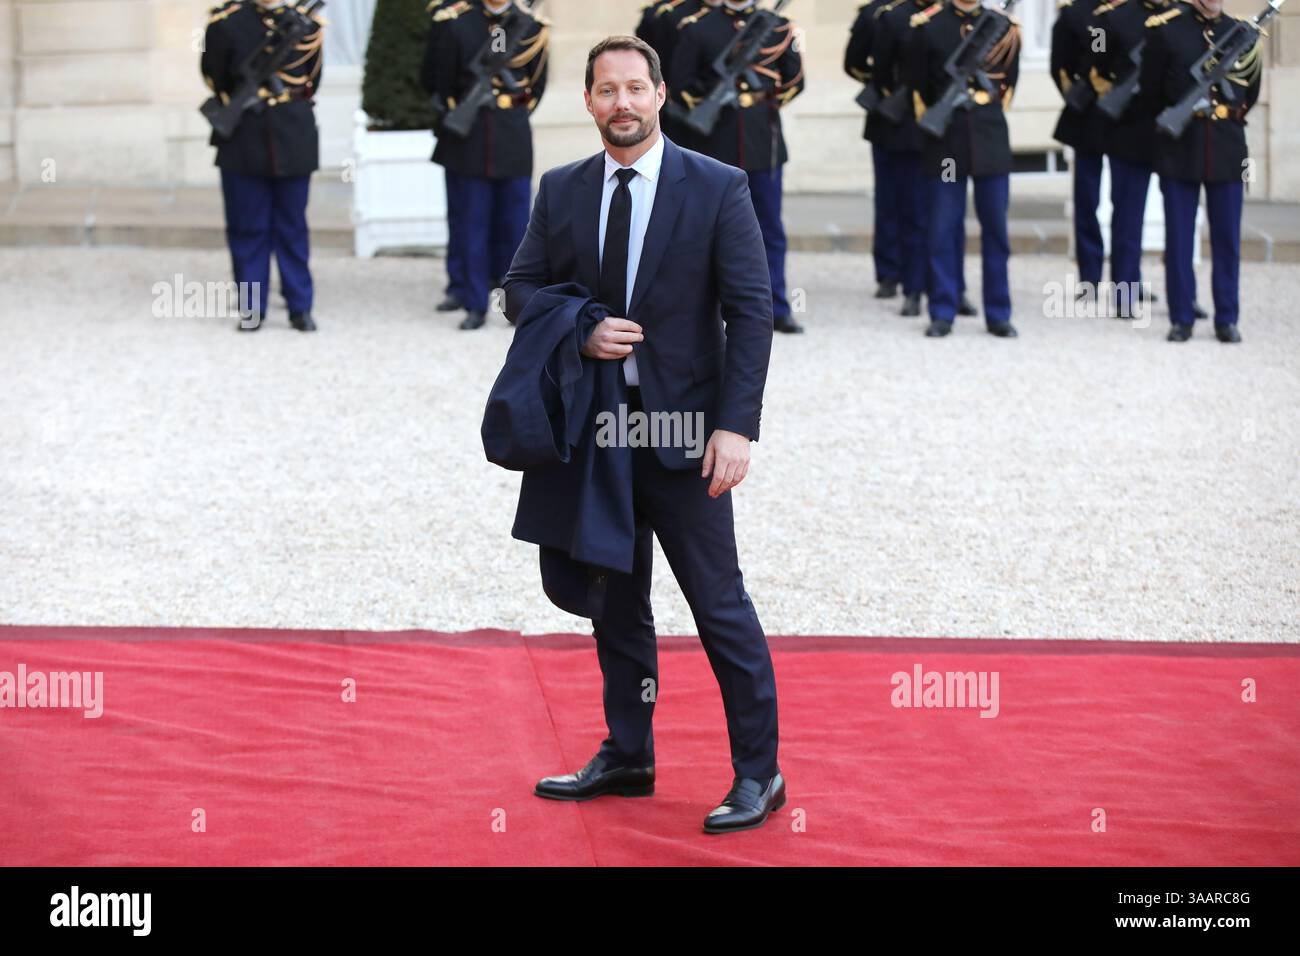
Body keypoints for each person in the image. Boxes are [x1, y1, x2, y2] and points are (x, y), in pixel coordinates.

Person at [502, 35, 785, 834]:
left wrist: (735, 427)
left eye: (635, 88)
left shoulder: (717, 186)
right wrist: (583, 325)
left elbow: (752, 312)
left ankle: (760, 774)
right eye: (605, 90)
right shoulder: (560, 190)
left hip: (684, 433)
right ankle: (629, 753)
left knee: (718, 604)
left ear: (660, 95)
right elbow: (519, 290)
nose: (620, 103)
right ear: (588, 102)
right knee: (613, 603)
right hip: (595, 437)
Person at [671, 0, 806, 333]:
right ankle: (708, 311)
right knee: (709, 231)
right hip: (717, 141)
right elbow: (680, 83)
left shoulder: (778, 26)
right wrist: (713, 99)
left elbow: (795, 80)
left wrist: (764, 98)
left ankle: (775, 306)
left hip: (763, 140)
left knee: (769, 228)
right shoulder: (698, 27)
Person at [1139, 0, 1262, 343]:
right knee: (1179, 237)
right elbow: (1150, 94)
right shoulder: (1165, 30)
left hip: (1228, 146)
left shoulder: (1242, 33)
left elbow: (1250, 92)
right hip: (1181, 146)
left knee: (1227, 238)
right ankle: (1182, 316)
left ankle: (1227, 317)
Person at [201, 0, 324, 332]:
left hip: (293, 135)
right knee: (247, 228)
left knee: (292, 228)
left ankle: (300, 306)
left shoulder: (307, 25)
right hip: (244, 137)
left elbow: (312, 80)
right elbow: (216, 75)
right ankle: (252, 308)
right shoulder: (226, 22)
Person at [429, 0, 549, 330]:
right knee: (472, 226)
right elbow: (442, 83)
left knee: (515, 227)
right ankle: (474, 304)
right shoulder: (459, 23)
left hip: (511, 137)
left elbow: (536, 86)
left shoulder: (532, 27)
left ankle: (513, 305)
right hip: (471, 139)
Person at [909, 0, 1020, 338]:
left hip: (989, 138)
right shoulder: (927, 25)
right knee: (943, 227)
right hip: (947, 142)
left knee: (996, 231)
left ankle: (998, 312)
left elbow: (1008, 85)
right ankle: (943, 309)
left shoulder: (1005, 26)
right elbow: (919, 87)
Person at [1050, 0, 1108, 305]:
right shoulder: (1075, 13)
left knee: (1130, 203)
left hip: (1129, 121)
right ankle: (1090, 276)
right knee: (1087, 201)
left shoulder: (1138, 11)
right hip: (1088, 118)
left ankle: (1129, 277)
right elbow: (1060, 65)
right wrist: (1077, 97)